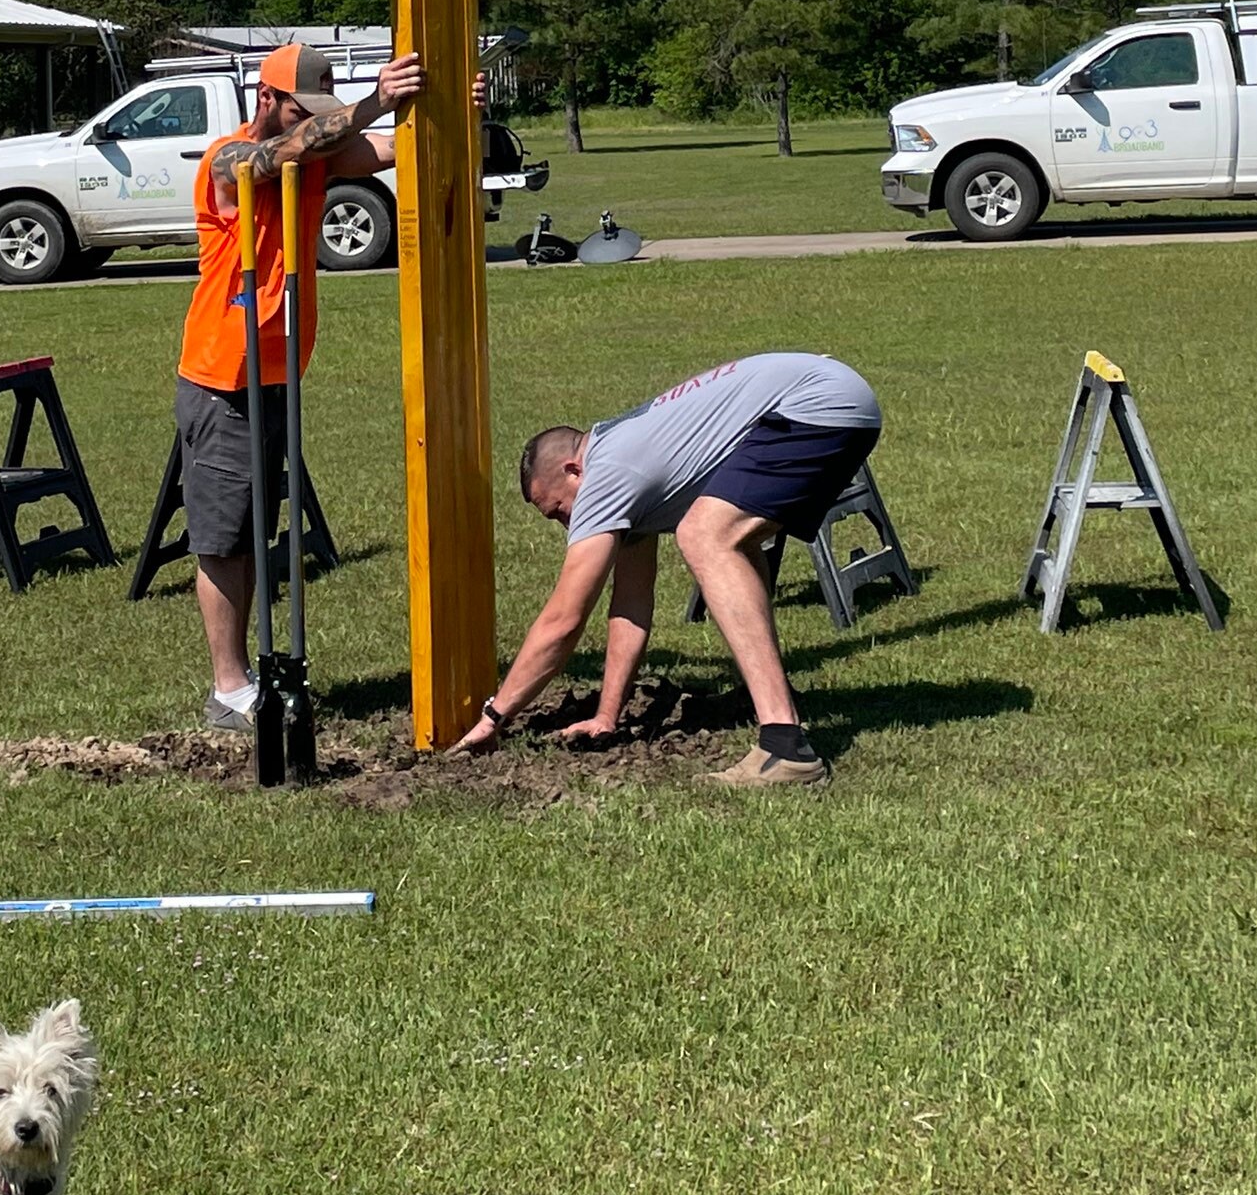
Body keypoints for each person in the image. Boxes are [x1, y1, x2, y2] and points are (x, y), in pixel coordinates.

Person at [451, 350, 883, 788]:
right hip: (830, 398)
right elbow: (631, 604)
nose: (568, 525)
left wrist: (495, 715)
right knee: (731, 537)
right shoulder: (626, 475)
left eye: (559, 510)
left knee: (705, 535)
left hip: (815, 405)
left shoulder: (607, 473)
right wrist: (607, 713)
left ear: (573, 470)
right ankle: (770, 705)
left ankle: (785, 747)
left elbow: (564, 621)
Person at [177, 42, 425, 729]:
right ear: (266, 100)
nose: (310, 121)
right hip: (223, 375)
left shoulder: (309, 159)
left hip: (278, 371)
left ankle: (245, 678)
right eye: (298, 109)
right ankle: (228, 689)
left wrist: (439, 107)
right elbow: (269, 162)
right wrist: (372, 99)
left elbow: (382, 150)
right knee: (224, 538)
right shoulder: (229, 158)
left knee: (256, 529)